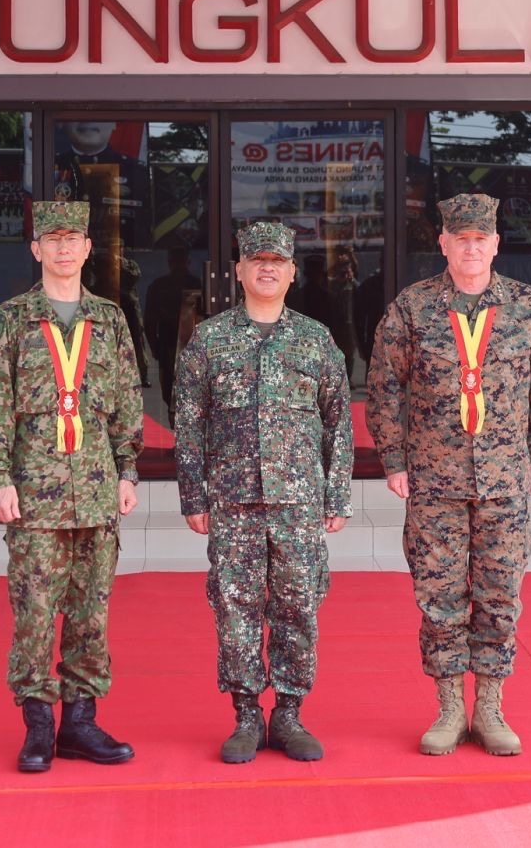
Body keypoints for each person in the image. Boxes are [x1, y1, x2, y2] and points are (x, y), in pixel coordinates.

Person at [366, 193, 531, 758]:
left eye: (482, 240)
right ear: (445, 244)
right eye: (461, 240)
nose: (472, 249)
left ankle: (491, 705)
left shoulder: (530, 309)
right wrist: (396, 459)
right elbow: (383, 385)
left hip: (504, 480)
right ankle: (450, 706)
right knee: (439, 596)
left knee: (501, 594)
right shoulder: (412, 308)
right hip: (434, 481)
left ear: (496, 244)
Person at [0, 201, 143, 775]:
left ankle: (81, 723)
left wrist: (127, 469)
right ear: (36, 249)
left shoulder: (111, 319)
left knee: (92, 613)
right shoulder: (11, 319)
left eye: (75, 240)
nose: (65, 249)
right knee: (35, 612)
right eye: (54, 240)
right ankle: (38, 726)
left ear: (89, 249)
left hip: (96, 490)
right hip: (35, 493)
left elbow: (126, 400)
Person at [174, 221, 354, 765]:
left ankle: (291, 713)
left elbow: (338, 423)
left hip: (299, 504)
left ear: (292, 272)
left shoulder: (315, 339)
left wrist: (337, 496)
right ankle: (247, 714)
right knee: (236, 605)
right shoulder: (209, 339)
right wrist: (194, 497)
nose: (267, 268)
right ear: (239, 271)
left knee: (299, 603)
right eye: (256, 261)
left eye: (277, 261)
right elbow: (189, 422)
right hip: (233, 502)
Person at [146, 245, 201, 419]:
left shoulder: (195, 284)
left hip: (187, 347)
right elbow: (150, 321)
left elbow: (149, 322)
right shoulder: (160, 286)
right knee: (170, 390)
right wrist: (155, 348)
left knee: (175, 391)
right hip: (169, 345)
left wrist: (155, 348)